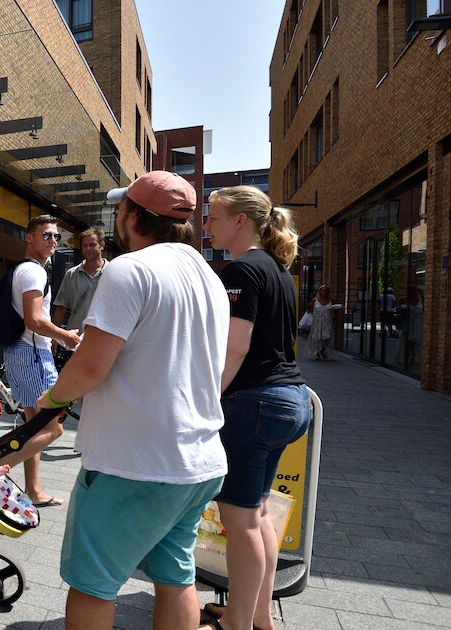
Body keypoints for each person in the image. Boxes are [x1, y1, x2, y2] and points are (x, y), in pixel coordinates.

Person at [0, 171, 228, 629]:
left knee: (93, 584)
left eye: (121, 209)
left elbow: (89, 366)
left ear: (137, 218)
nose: (117, 217)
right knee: (176, 575)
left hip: (134, 464)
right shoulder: (210, 278)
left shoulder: (130, 270)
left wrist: (48, 399)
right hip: (198, 462)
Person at [203, 186, 313, 630]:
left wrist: (208, 399)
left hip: (256, 403)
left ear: (240, 221)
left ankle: (237, 624)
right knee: (258, 512)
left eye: (212, 217)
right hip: (292, 401)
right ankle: (256, 615)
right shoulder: (277, 269)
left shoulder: (242, 269)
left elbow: (237, 346)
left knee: (240, 519)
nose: (205, 225)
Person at [3, 215, 82, 507]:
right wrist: (66, 336)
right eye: (46, 235)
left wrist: (59, 337)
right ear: (29, 238)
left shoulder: (21, 270)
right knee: (54, 426)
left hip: (19, 352)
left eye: (56, 237)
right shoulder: (34, 273)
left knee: (33, 426)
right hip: (33, 354)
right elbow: (34, 320)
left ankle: (33, 490)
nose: (53, 241)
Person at [52, 226, 107, 361]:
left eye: (92, 244)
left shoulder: (113, 273)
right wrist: (54, 336)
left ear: (102, 246)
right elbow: (61, 308)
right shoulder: (71, 274)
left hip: (104, 344)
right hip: (74, 343)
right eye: (85, 246)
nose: (88, 249)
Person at [304, 285, 337, 360]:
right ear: (320, 291)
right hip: (317, 323)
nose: (325, 292)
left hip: (327, 322)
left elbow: (335, 312)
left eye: (326, 290)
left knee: (326, 337)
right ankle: (318, 352)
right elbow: (311, 310)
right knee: (317, 338)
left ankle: (323, 350)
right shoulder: (315, 300)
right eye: (323, 290)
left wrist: (335, 322)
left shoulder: (331, 300)